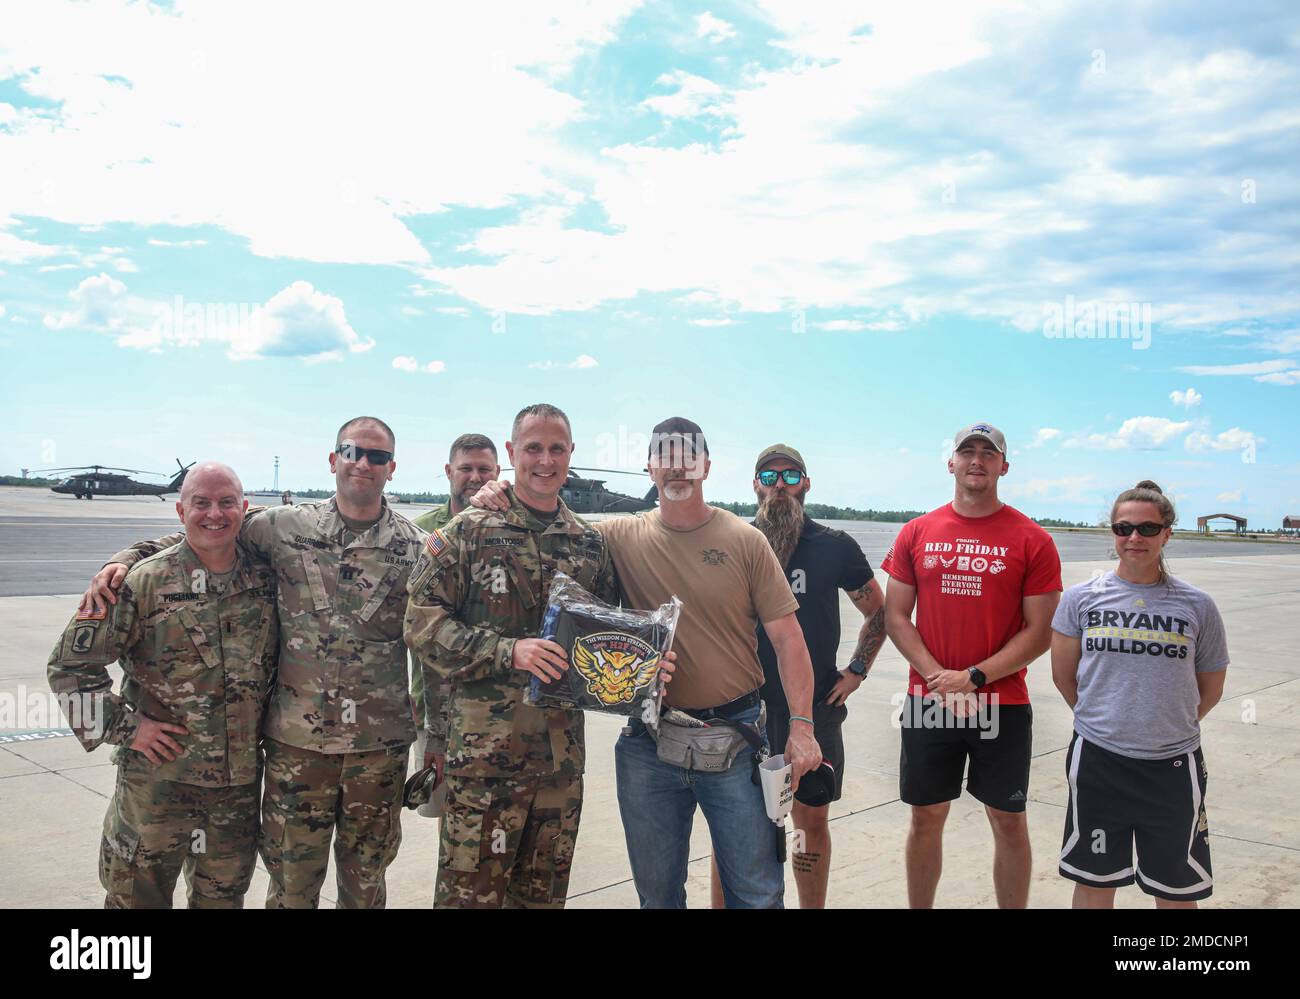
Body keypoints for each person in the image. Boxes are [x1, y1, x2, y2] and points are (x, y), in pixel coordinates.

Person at [472, 417, 822, 908]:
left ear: (706, 466)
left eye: (688, 456)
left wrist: (802, 726)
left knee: (757, 893)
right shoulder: (615, 536)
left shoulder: (745, 540)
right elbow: (548, 514)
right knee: (656, 896)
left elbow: (789, 641)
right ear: (649, 467)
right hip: (647, 748)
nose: (677, 467)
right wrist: (502, 490)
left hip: (734, 740)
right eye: (666, 456)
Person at [80, 417, 423, 909]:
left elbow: (440, 627)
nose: (362, 463)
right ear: (333, 460)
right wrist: (129, 557)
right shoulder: (284, 527)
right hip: (295, 746)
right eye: (351, 451)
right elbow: (209, 532)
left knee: (366, 880)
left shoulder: (415, 548)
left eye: (376, 456)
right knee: (290, 881)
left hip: (378, 748)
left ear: (392, 468)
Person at [406, 404, 652, 908]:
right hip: (482, 763)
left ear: (570, 455)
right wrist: (506, 652)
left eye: (556, 448)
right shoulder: (467, 533)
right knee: (467, 899)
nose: (545, 460)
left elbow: (605, 638)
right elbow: (420, 623)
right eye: (533, 448)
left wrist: (647, 664)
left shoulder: (588, 543)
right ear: (513, 454)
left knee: (543, 899)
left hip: (560, 765)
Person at [49, 462, 277, 908]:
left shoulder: (266, 579)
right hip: (156, 789)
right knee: (137, 900)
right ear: (180, 510)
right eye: (201, 503)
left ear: (244, 508)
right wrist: (130, 729)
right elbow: (69, 671)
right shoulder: (141, 582)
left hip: (236, 791)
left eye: (227, 502)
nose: (215, 513)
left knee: (223, 901)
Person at [881, 422, 1062, 908]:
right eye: (968, 451)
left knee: (1007, 819)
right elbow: (895, 615)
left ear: (1005, 465)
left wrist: (974, 676)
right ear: (951, 463)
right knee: (926, 816)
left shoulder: (1033, 539)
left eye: (989, 452)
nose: (977, 460)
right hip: (929, 701)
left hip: (1001, 702)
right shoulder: (917, 531)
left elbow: (1040, 631)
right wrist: (940, 678)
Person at [710, 443, 887, 909]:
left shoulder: (835, 546)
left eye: (790, 476)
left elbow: (879, 611)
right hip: (741, 708)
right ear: (755, 486)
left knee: (809, 821)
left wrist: (856, 671)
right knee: (734, 825)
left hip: (815, 709)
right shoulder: (735, 544)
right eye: (769, 477)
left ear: (806, 484)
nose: (780, 485)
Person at [1051, 481, 1227, 908]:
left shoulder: (1197, 605)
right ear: (1112, 532)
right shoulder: (1080, 600)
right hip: (1098, 760)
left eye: (1148, 529)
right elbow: (1064, 677)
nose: (1134, 538)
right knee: (1094, 881)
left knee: (1176, 888)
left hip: (1171, 766)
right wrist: (1107, 720)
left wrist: (1161, 723)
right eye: (1123, 527)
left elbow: (1211, 686)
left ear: (1167, 533)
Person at [408, 433, 500, 795]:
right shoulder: (420, 533)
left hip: (494, 707)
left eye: (484, 469)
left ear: (498, 472)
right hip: (431, 706)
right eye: (466, 468)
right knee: (442, 808)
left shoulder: (512, 529)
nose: (475, 477)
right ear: (448, 471)